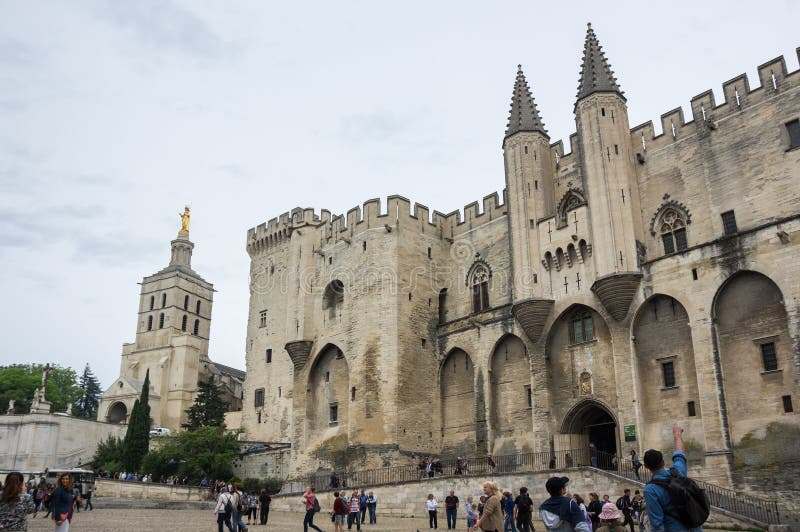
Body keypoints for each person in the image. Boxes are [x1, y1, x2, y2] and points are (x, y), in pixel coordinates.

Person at [643, 423, 704, 532]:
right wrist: (677, 434)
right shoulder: (678, 473)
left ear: (646, 467)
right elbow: (679, 454)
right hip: (694, 528)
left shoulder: (650, 490)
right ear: (663, 462)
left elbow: (657, 525)